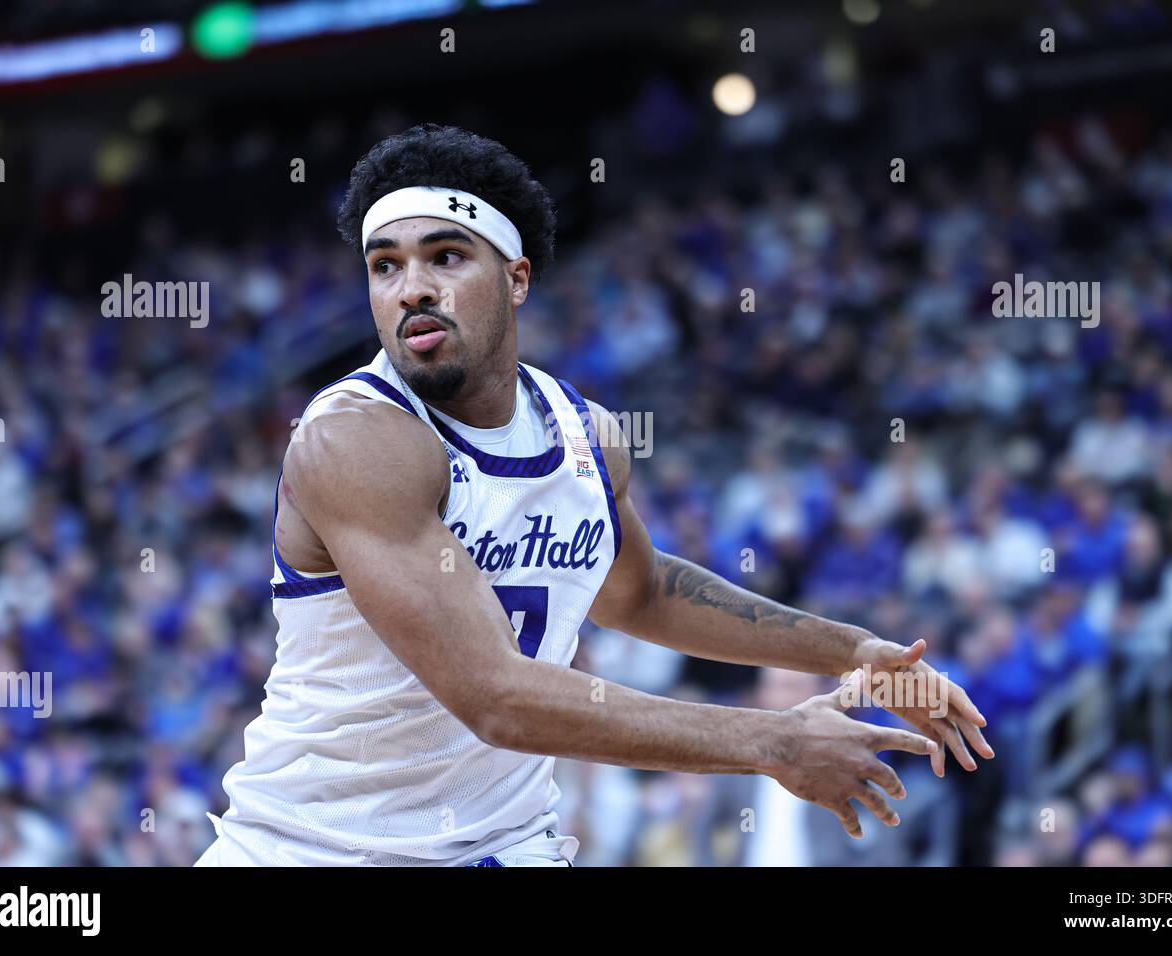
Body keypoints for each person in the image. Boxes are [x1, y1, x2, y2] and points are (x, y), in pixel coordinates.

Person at [196, 124, 993, 867]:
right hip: (312, 849)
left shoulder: (584, 433)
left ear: (516, 279)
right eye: (385, 265)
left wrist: (853, 652)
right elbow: (496, 697)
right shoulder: (356, 439)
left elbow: (639, 592)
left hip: (503, 845)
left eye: (445, 257)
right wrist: (772, 741)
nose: (411, 289)